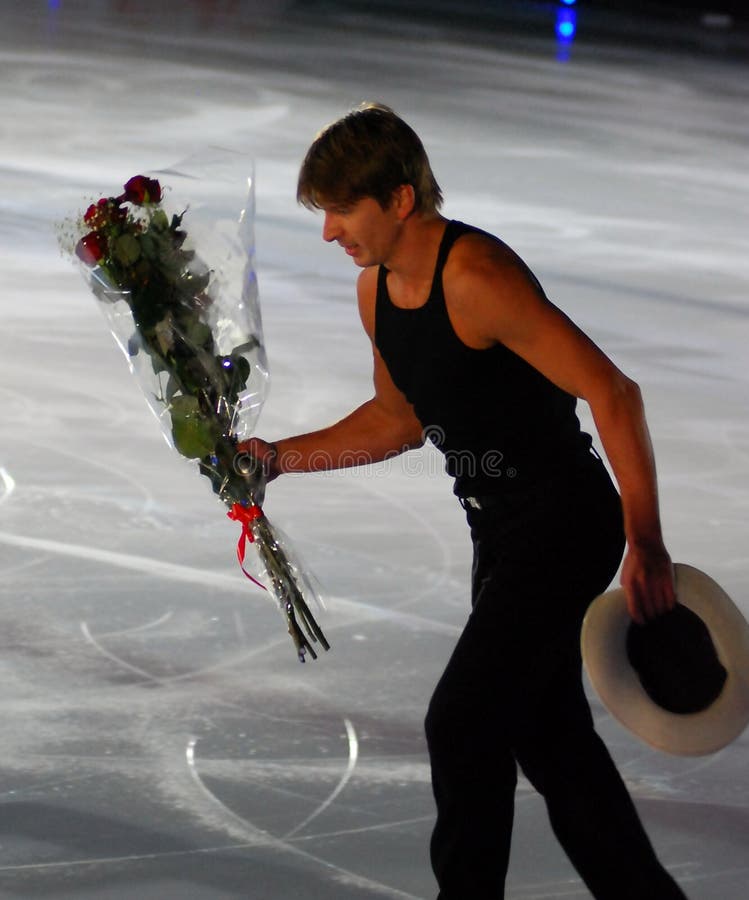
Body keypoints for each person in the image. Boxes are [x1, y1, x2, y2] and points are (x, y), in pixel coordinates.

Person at [239, 103, 689, 899]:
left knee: (463, 721)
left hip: (563, 523)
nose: (328, 232)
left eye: (342, 210)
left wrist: (644, 538)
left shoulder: (477, 277)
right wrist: (276, 459)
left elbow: (613, 393)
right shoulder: (375, 291)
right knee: (548, 739)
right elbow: (399, 418)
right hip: (500, 535)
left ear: (400, 198)